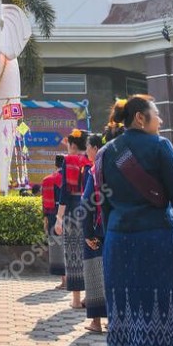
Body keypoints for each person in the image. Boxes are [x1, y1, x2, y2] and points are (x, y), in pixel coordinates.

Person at [97, 95, 173, 346]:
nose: (161, 120)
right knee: (160, 306)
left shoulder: (106, 152)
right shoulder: (160, 146)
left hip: (118, 242)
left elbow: (104, 205)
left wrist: (110, 239)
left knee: (123, 307)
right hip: (156, 239)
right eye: (156, 114)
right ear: (140, 118)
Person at [54, 129, 91, 310]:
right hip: (91, 210)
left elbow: (64, 193)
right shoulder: (92, 161)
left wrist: (59, 218)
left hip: (73, 211)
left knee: (74, 253)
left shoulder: (69, 161)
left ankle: (76, 300)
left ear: (73, 146)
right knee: (91, 253)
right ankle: (90, 296)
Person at [82, 133, 107, 334]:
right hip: (119, 230)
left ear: (96, 149)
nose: (86, 151)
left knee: (95, 274)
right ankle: (115, 321)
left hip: (98, 231)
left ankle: (96, 322)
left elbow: (87, 203)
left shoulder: (94, 171)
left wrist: (88, 233)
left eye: (88, 147)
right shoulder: (121, 168)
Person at [41, 154, 65, 287]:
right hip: (70, 215)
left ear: (55, 165)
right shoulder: (72, 180)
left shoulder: (47, 180)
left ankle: (64, 281)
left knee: (57, 247)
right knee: (70, 245)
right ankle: (71, 279)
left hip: (53, 216)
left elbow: (45, 202)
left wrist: (45, 218)